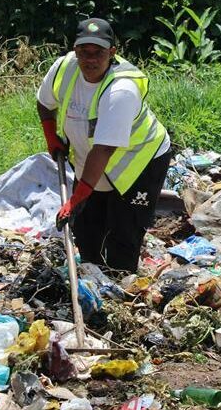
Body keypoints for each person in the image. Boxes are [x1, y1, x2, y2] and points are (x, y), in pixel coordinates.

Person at [37, 18, 171, 272]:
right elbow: (44, 103)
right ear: (75, 51)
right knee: (86, 230)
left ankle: (119, 292)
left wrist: (76, 198)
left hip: (138, 163)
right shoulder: (64, 70)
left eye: (98, 52)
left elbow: (104, 150)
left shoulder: (121, 90)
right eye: (83, 52)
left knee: (123, 233)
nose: (90, 59)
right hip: (91, 162)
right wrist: (51, 137)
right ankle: (93, 278)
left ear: (112, 52)